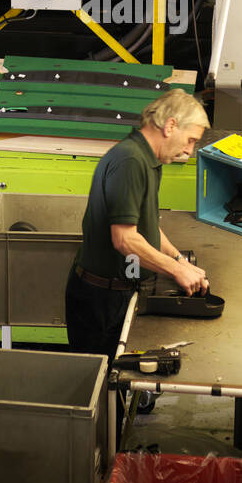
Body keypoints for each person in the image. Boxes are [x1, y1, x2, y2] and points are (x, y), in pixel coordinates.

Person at [65, 89, 210, 362]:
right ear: (170, 126)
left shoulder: (148, 160)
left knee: (117, 382)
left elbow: (147, 225)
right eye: (190, 140)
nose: (189, 151)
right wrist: (176, 270)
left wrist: (180, 259)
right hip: (100, 299)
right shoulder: (130, 161)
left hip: (118, 291)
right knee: (99, 387)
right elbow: (125, 240)